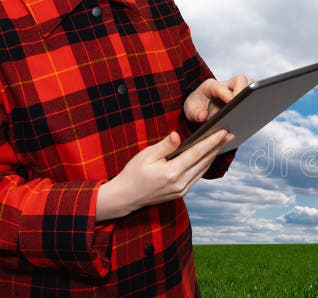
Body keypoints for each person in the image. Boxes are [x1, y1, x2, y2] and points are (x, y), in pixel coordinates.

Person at [0, 0, 252, 296]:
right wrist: (113, 199)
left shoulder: (158, 5)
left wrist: (201, 113)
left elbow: (190, 99)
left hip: (174, 279)